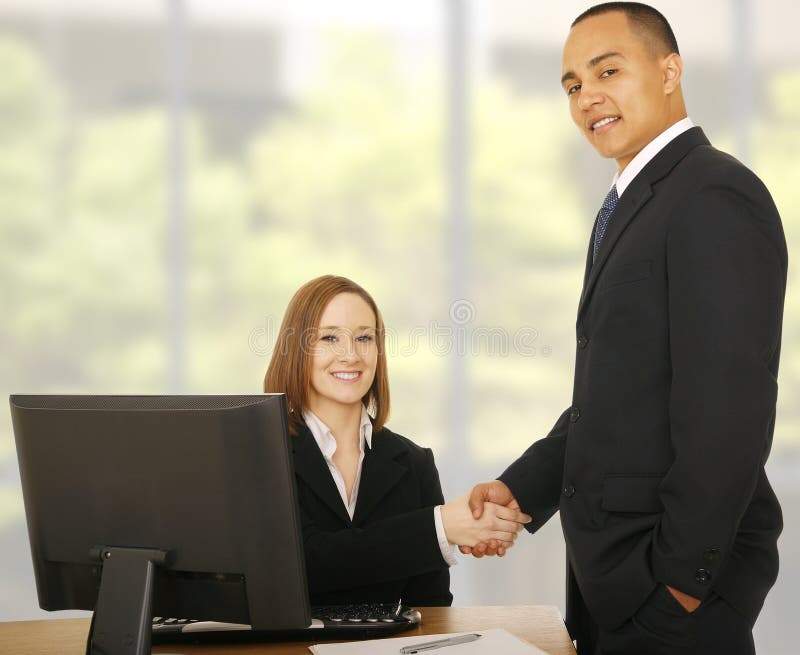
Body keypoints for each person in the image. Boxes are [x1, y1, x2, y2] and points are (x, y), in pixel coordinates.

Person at [463, 3, 787, 654]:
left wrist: (679, 584)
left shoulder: (714, 195)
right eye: (573, 85)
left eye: (607, 71)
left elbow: (728, 410)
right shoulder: (631, 204)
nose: (587, 97)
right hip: (613, 583)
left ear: (669, 71)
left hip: (668, 594)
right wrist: (522, 488)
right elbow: (618, 396)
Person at [264, 275, 530, 607]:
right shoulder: (262, 452)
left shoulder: (414, 464)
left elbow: (430, 609)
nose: (350, 355)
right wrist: (440, 528)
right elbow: (295, 567)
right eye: (329, 338)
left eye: (364, 337)